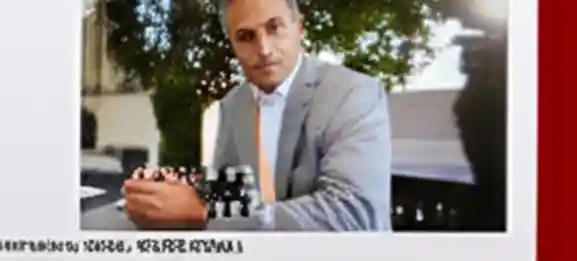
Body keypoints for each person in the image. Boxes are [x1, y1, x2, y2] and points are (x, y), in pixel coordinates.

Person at [121, 0, 393, 233]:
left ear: (299, 28)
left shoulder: (353, 94)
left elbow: (354, 214)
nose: (263, 49)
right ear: (232, 44)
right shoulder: (231, 106)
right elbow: (238, 199)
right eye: (246, 36)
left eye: (274, 28)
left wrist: (204, 210)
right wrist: (180, 195)